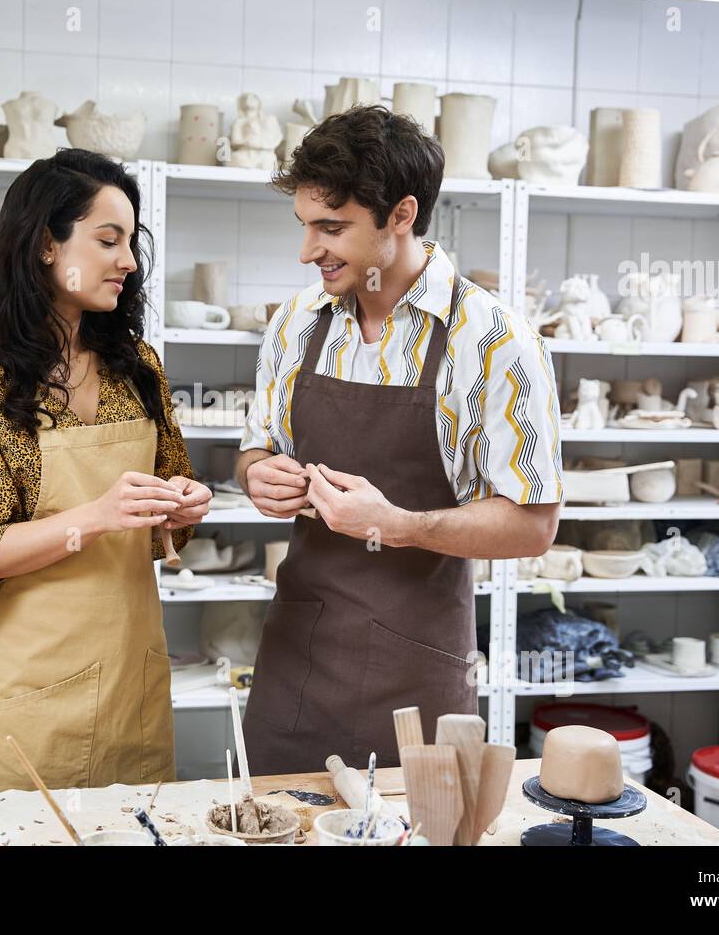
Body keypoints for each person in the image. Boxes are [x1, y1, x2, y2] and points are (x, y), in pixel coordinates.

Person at [236, 105, 563, 775]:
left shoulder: (493, 338)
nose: (308, 251)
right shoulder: (298, 321)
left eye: (332, 228)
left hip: (415, 672)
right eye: (305, 226)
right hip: (297, 658)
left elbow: (532, 526)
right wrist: (257, 473)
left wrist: (398, 524)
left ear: (402, 215)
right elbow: (256, 447)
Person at [0, 148, 212, 795]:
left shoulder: (138, 369)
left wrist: (181, 506)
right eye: (108, 239)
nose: (128, 260)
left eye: (132, 241)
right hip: (23, 705)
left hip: (132, 687)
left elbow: (166, 526)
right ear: (47, 244)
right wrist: (96, 517)